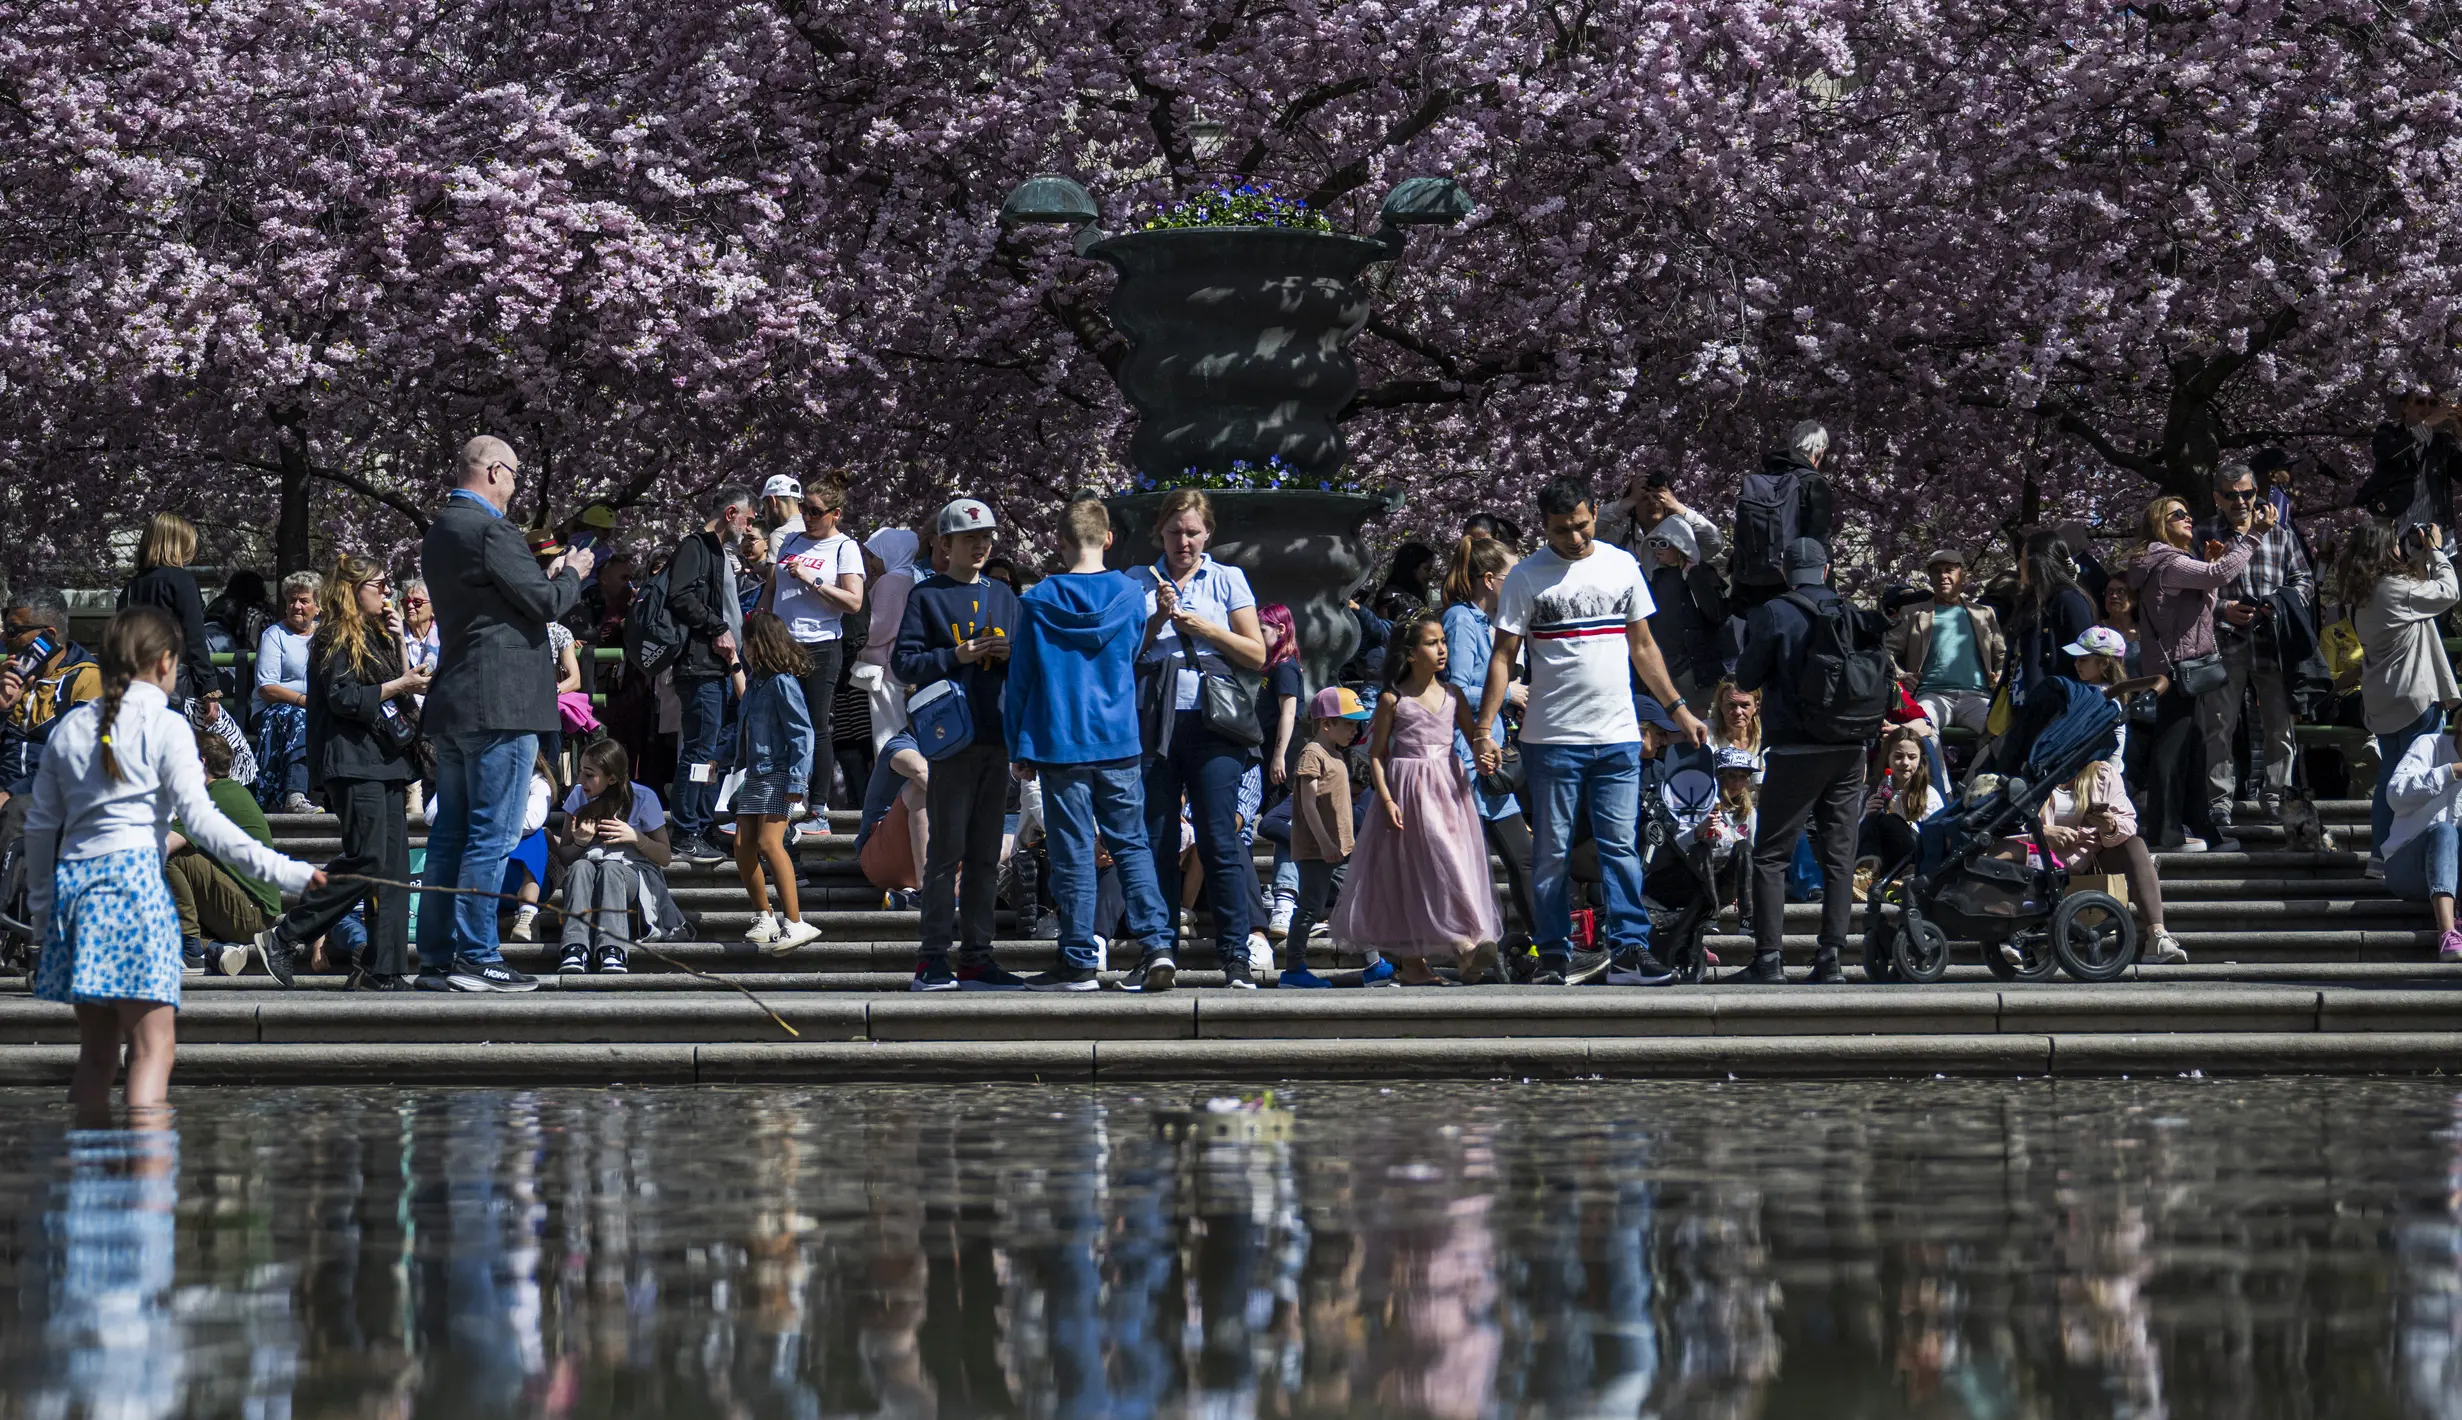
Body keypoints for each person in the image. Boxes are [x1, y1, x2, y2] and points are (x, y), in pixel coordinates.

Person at [27, 606, 321, 1107]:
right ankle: (148, 1178)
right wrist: (289, 871)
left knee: (95, 1055)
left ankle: (85, 1178)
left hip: (74, 893)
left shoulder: (72, 728)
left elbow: (38, 827)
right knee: (152, 1048)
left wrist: (40, 915)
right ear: (166, 663)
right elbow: (206, 825)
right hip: (134, 891)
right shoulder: (168, 729)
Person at [1472, 475, 1710, 988]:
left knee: (1620, 846)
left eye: (1581, 526)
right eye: (1562, 531)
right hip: (1552, 737)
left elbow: (1644, 647)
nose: (1574, 538)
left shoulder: (1622, 565)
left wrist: (1679, 710)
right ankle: (1555, 954)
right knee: (1552, 850)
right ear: (1545, 527)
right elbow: (1502, 657)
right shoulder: (1526, 577)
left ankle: (1629, 952)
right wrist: (1484, 728)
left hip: (1618, 734)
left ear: (1594, 512)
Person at [416, 434, 591, 993]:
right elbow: (544, 603)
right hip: (503, 703)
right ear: (493, 471)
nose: (516, 487)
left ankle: (438, 956)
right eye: (513, 475)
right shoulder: (492, 529)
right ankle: (478, 955)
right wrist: (573, 574)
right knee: (492, 833)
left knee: (449, 835)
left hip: (457, 699)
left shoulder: (440, 530)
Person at [1003, 495, 1176, 990]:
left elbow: (1022, 681)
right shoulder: (1129, 595)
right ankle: (1157, 945)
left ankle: (1079, 958)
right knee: (1131, 844)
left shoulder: (1037, 601)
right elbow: (1129, 657)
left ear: (1060, 544)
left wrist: (1019, 746)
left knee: (1073, 851)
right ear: (1109, 538)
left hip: (1060, 741)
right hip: (1118, 738)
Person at [248, 554, 430, 991]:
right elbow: (344, 698)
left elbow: (399, 688)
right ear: (353, 589)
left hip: (387, 760)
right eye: (380, 585)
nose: (388, 593)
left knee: (393, 870)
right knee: (367, 857)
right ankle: (285, 934)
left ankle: (383, 969)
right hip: (352, 761)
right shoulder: (332, 636)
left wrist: (401, 644)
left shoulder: (376, 635)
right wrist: (400, 684)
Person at [1132, 489, 1269, 989]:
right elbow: (1121, 653)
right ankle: (1159, 949)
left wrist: (1204, 628)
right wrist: (1157, 621)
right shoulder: (1135, 580)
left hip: (1214, 725)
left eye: (1192, 531)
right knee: (1157, 838)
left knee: (1219, 837)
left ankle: (1234, 953)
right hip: (1153, 722)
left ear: (1207, 533)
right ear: (1159, 534)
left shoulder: (1228, 578)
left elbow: (1256, 653)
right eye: (1174, 531)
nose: (1183, 541)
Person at [1735, 537, 1885, 984]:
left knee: (1772, 855)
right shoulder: (1852, 613)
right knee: (1840, 856)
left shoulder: (1774, 613)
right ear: (1825, 570)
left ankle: (1769, 959)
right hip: (1849, 749)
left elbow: (1745, 677)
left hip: (1796, 750)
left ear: (1786, 572)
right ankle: (1831, 959)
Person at [894, 497, 1023, 991]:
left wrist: (1012, 653)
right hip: (950, 741)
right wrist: (956, 654)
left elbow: (1029, 665)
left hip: (997, 738)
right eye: (969, 538)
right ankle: (931, 958)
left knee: (987, 853)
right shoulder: (926, 597)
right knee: (946, 851)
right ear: (943, 545)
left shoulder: (1006, 597)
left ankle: (977, 956)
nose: (980, 544)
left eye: (986, 536)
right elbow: (904, 663)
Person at [1337, 612, 1503, 985]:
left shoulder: (1452, 695)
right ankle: (1464, 945)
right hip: (1408, 789)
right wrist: (1387, 798)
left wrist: (1485, 752)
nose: (1442, 649)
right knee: (1417, 867)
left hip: (1448, 786)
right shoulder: (1392, 700)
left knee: (1447, 861)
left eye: (1443, 641)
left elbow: (1474, 736)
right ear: (1411, 654)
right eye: (1432, 643)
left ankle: (1424, 961)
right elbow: (1377, 753)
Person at [2128, 495, 2266, 852]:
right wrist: (2252, 537)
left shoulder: (2173, 563)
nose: (2188, 518)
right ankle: (2165, 832)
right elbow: (2219, 575)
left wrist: (2208, 567)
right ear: (2161, 523)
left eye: (2188, 513)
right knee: (2172, 752)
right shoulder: (2168, 562)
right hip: (2175, 672)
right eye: (2178, 515)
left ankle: (2198, 827)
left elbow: (2206, 596)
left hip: (2181, 670)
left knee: (2193, 750)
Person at [2194, 462, 2314, 836]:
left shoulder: (2279, 534)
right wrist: (2223, 608)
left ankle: (2276, 795)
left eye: (2248, 493)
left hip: (2272, 642)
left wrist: (2280, 603)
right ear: (2217, 498)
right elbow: (2191, 591)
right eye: (2232, 495)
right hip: (2225, 642)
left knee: (2280, 725)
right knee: (2219, 725)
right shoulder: (2203, 535)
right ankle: (2219, 800)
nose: (2242, 502)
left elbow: (2304, 579)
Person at [2331, 519, 2460, 866]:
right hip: (2415, 695)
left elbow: (2413, 588)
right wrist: (2435, 550)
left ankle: (2378, 855)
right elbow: (2448, 591)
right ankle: (2408, 856)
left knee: (2391, 776)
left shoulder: (2358, 596)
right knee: (2418, 779)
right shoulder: (2397, 588)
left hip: (2381, 697)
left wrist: (2418, 558)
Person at [2058, 626, 2185, 963]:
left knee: (2131, 841)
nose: (2075, 664)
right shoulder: (2090, 695)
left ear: (2102, 663)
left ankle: (2157, 934)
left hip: (2099, 789)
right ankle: (2149, 906)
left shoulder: (2100, 701)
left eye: (2083, 659)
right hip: (2068, 813)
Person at [1439, 535, 1537, 942]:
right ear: (1491, 579)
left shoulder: (1486, 623)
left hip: (1491, 760)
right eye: (1515, 576)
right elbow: (1453, 689)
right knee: (1471, 865)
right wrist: (1507, 692)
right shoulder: (1461, 620)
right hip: (1469, 760)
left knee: (1524, 859)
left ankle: (1547, 945)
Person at [663, 485, 756, 864]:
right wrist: (717, 627)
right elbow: (680, 596)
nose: (750, 529)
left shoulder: (718, 552)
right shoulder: (695, 547)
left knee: (711, 753)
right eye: (748, 520)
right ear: (731, 513)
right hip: (698, 666)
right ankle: (685, 831)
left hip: (716, 667)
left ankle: (700, 822)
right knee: (700, 751)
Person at [769, 473, 865, 827]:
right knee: (777, 721)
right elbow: (771, 589)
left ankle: (817, 808)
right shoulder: (791, 539)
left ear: (835, 514)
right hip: (781, 644)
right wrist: (760, 622)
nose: (808, 516)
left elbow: (853, 602)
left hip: (820, 645)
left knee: (815, 724)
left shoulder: (844, 547)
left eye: (815, 511)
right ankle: (777, 797)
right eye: (804, 509)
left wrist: (814, 580)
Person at [733, 611, 822, 954]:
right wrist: (720, 761)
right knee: (743, 844)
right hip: (756, 774)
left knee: (770, 843)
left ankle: (795, 922)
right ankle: (764, 915)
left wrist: (798, 779)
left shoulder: (783, 682)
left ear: (758, 643)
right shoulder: (756, 682)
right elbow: (743, 731)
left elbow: (802, 733)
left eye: (747, 641)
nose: (744, 648)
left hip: (780, 773)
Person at [163, 729, 282, 978]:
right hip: (250, 913)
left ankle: (191, 950)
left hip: (250, 914)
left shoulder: (210, 798)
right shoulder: (228, 792)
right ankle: (216, 951)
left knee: (171, 859)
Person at [553, 741, 671, 975]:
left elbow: (665, 857)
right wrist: (580, 843)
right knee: (580, 866)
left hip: (630, 874)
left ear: (612, 779)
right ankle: (575, 947)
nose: (580, 781)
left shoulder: (643, 797)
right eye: (580, 772)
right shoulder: (578, 796)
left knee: (610, 868)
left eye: (588, 775)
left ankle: (612, 949)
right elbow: (564, 857)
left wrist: (636, 837)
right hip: (587, 875)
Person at [1283, 687, 1372, 989]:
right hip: (1317, 851)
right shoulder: (1312, 754)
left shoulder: (1336, 754)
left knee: (1358, 901)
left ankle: (1374, 963)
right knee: (1310, 907)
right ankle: (1293, 970)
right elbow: (1307, 804)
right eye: (1348, 723)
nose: (1354, 729)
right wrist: (1324, 843)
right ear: (1326, 724)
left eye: (1356, 724)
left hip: (1340, 849)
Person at [0, 586, 101, 839]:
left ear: (47, 635)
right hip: (11, 792)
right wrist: (2, 708)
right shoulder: (13, 680)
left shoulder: (88, 679)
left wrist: (10, 793)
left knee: (16, 810)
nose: (4, 639)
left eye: (13, 631)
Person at [1888, 548, 2003, 737]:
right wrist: (1900, 675)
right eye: (1937, 571)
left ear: (1962, 575)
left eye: (1949, 570)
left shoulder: (1984, 613)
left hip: (1976, 696)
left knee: (2000, 733)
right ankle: (1938, 769)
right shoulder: (1912, 613)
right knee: (1921, 732)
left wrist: (1999, 673)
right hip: (1931, 694)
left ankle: (1977, 769)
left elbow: (2001, 654)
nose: (1943, 576)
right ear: (1930, 578)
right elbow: (1886, 651)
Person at [118, 511, 218, 710]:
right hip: (173, 682)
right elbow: (195, 637)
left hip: (135, 681)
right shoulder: (181, 581)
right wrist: (210, 688)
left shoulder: (130, 587)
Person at [2384, 710, 2462, 961]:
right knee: (2443, 831)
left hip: (2454, 875)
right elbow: (2395, 795)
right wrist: (2452, 772)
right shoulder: (2430, 744)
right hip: (2407, 869)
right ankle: (2448, 932)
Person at [851, 521, 927, 753]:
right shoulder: (916, 578)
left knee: (889, 738)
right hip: (905, 669)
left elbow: (876, 630)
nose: (871, 563)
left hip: (887, 673)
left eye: (875, 556)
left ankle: (897, 786)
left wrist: (855, 631)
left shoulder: (890, 581)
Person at [252, 570, 321, 814]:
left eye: (304, 600)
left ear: (318, 605)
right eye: (292, 600)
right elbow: (267, 688)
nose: (297, 606)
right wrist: (305, 701)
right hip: (275, 709)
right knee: (301, 718)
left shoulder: (325, 635)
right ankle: (295, 794)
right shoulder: (274, 635)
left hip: (318, 707)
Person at [1641, 516, 1727, 711]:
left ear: (1679, 545)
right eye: (1653, 543)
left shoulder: (1702, 573)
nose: (1657, 549)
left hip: (1696, 669)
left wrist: (1692, 575)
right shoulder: (1652, 579)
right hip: (1664, 670)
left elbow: (1717, 614)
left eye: (1664, 543)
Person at [856, 728, 929, 906]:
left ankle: (905, 899)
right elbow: (920, 770)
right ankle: (928, 893)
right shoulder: (902, 743)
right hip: (883, 855)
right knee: (922, 787)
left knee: (1004, 840)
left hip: (938, 855)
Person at [1857, 726, 1942, 875]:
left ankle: (1904, 875)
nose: (1905, 762)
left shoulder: (1928, 793)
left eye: (1912, 757)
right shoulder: (1869, 790)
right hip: (1877, 855)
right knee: (1872, 821)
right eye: (1898, 756)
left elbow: (1934, 839)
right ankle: (1867, 873)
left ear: (1920, 759)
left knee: (1889, 821)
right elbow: (1852, 835)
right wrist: (1867, 815)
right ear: (1887, 758)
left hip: (1912, 855)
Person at [1601, 469, 1728, 566]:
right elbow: (1594, 531)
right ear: (1633, 507)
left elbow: (1715, 542)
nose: (1652, 502)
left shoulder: (1682, 536)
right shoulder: (1623, 536)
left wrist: (1678, 508)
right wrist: (1629, 500)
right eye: (1644, 498)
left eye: (1657, 497)